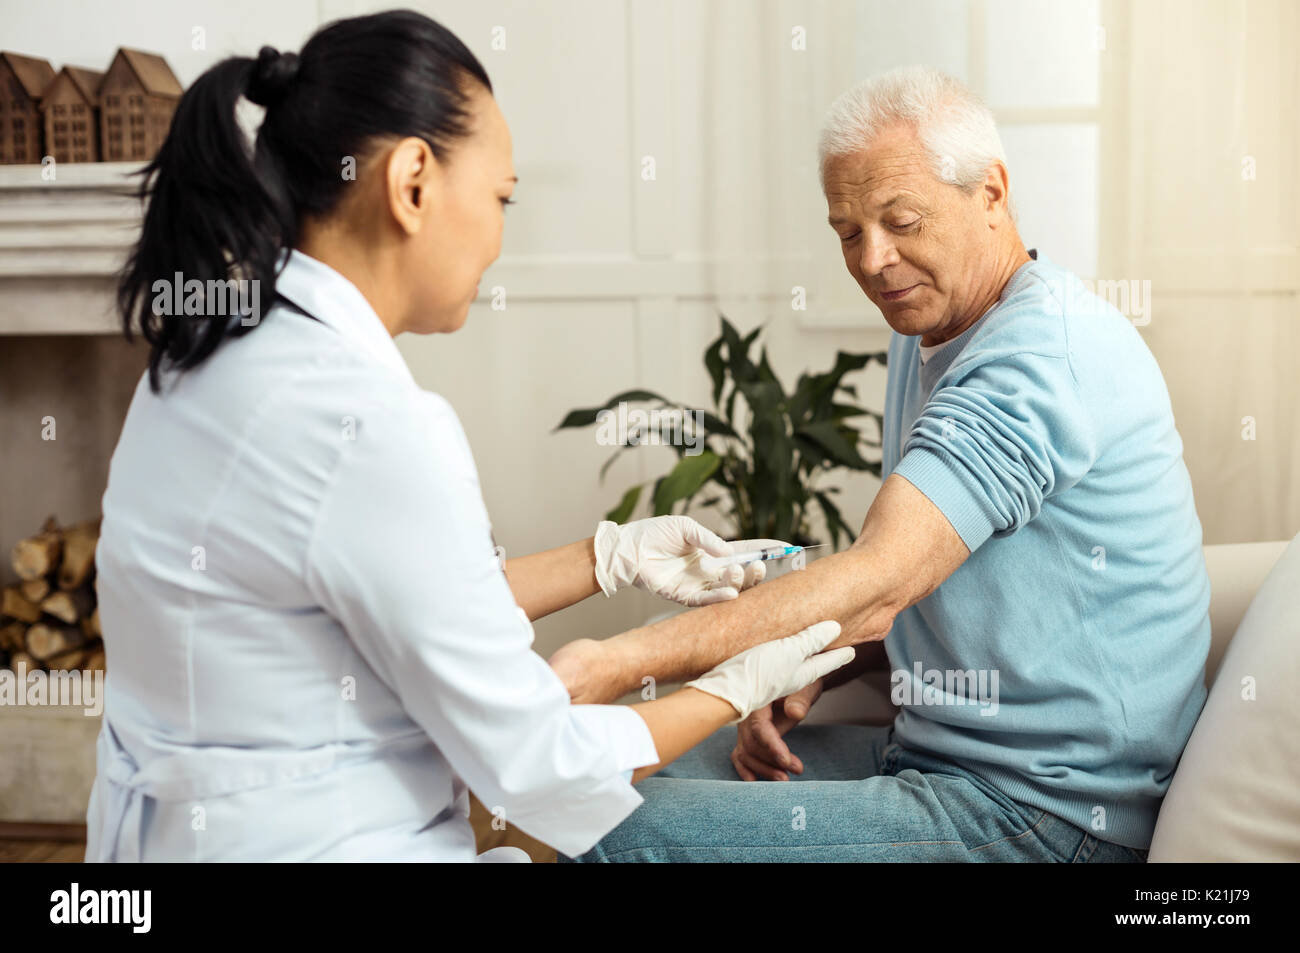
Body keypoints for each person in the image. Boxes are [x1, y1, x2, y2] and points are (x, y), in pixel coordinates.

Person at [85, 10, 852, 863]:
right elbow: (536, 765)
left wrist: (608, 556)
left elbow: (387, 596)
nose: (498, 236)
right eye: (500, 197)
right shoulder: (368, 424)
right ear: (412, 182)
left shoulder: (198, 357)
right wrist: (731, 684)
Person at [563, 66, 1209, 863]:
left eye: (902, 220)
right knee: (598, 793)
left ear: (992, 194)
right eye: (846, 231)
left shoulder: (1042, 357)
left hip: (1047, 812)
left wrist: (616, 660)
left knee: (622, 836)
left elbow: (881, 577)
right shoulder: (928, 328)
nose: (873, 259)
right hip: (933, 758)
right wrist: (807, 670)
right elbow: (924, 583)